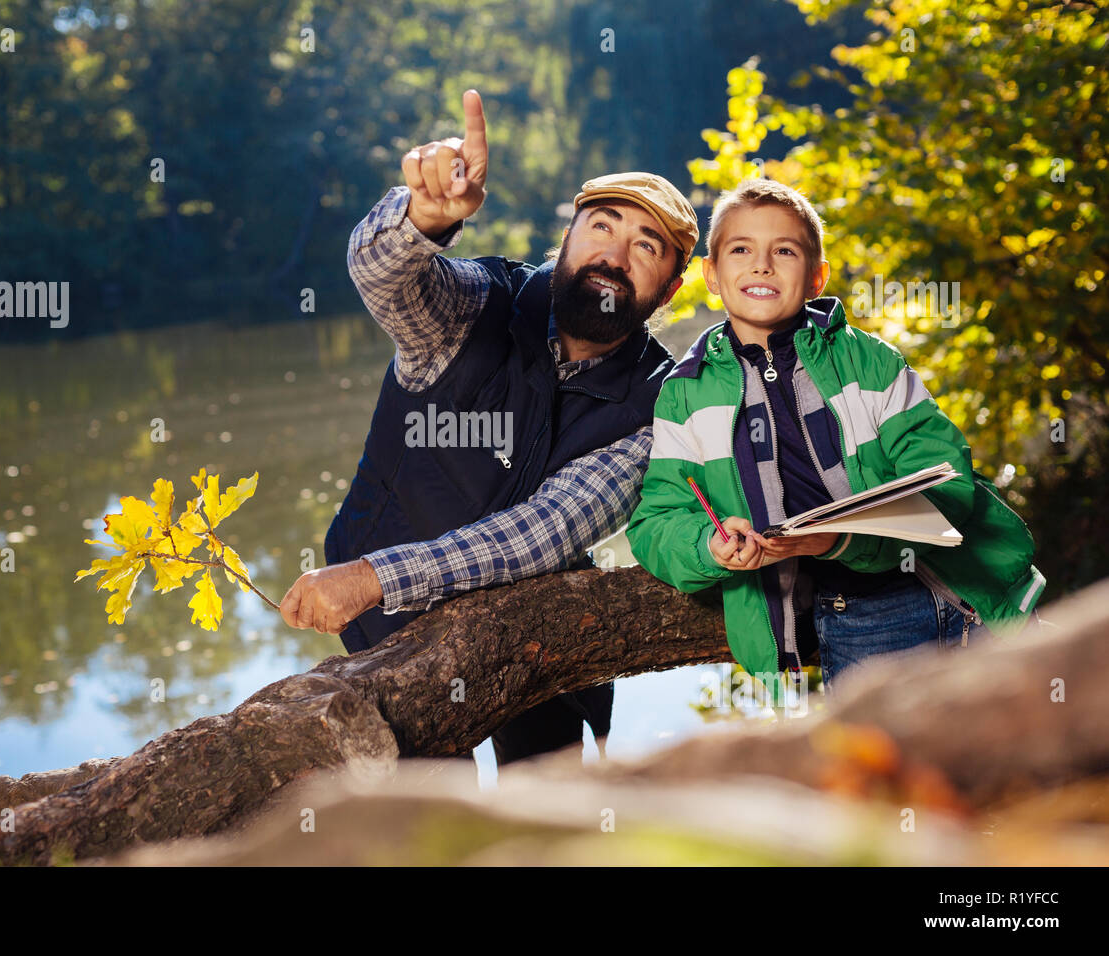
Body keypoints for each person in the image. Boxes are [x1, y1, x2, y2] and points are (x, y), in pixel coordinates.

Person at [279, 89, 699, 765]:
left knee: (544, 814)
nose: (615, 255)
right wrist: (423, 220)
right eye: (601, 227)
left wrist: (371, 576)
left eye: (645, 246)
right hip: (394, 629)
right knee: (434, 814)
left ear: (670, 289)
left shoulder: (661, 405)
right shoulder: (477, 304)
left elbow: (542, 535)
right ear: (566, 238)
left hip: (534, 638)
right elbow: (384, 278)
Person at [626, 178, 1046, 697]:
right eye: (741, 250)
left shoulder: (869, 361)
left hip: (958, 588)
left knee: (1036, 749)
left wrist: (845, 536)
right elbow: (655, 522)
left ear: (817, 277)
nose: (762, 265)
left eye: (785, 250)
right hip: (857, 617)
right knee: (890, 766)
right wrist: (707, 546)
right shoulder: (685, 394)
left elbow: (946, 476)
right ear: (711, 275)